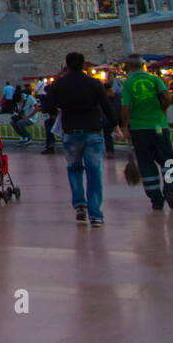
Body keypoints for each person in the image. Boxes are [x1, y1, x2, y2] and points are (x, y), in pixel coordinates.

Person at [40, 53, 116, 226]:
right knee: (94, 172)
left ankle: (80, 205)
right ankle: (96, 214)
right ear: (83, 65)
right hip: (92, 131)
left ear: (66, 65)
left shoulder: (59, 84)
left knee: (74, 169)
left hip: (71, 132)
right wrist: (115, 125)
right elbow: (106, 106)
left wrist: (58, 107)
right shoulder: (94, 83)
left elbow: (47, 107)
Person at [120, 57, 173, 211]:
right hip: (159, 126)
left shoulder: (128, 84)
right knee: (169, 160)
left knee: (146, 164)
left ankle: (156, 199)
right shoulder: (155, 79)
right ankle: (171, 190)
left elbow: (125, 107)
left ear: (128, 68)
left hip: (139, 129)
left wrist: (126, 126)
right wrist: (163, 110)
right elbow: (167, 97)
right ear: (143, 65)